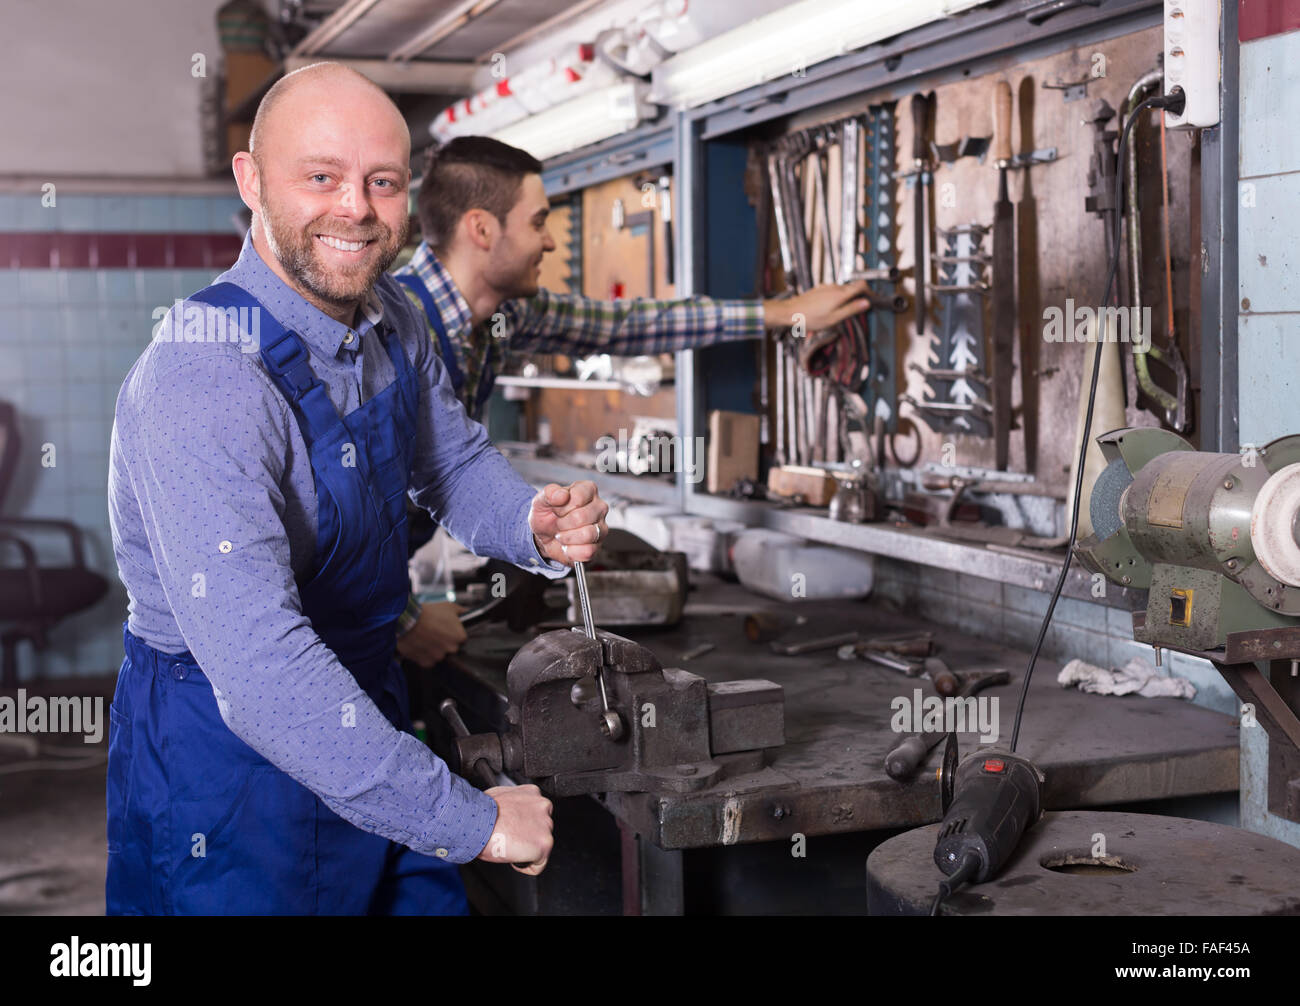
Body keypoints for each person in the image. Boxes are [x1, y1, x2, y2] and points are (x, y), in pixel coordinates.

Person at [105, 62, 609, 915]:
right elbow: (261, 668)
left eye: (382, 182)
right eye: (321, 178)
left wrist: (529, 522)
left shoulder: (393, 320)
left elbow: (448, 463)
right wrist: (472, 821)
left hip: (367, 712)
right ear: (251, 181)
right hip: (230, 768)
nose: (356, 209)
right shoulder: (201, 377)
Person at [391, 135, 871, 668]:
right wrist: (402, 619)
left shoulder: (499, 317)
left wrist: (782, 314)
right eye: (538, 222)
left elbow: (630, 325)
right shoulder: (395, 329)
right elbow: (344, 505)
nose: (550, 243)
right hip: (349, 614)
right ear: (481, 229)